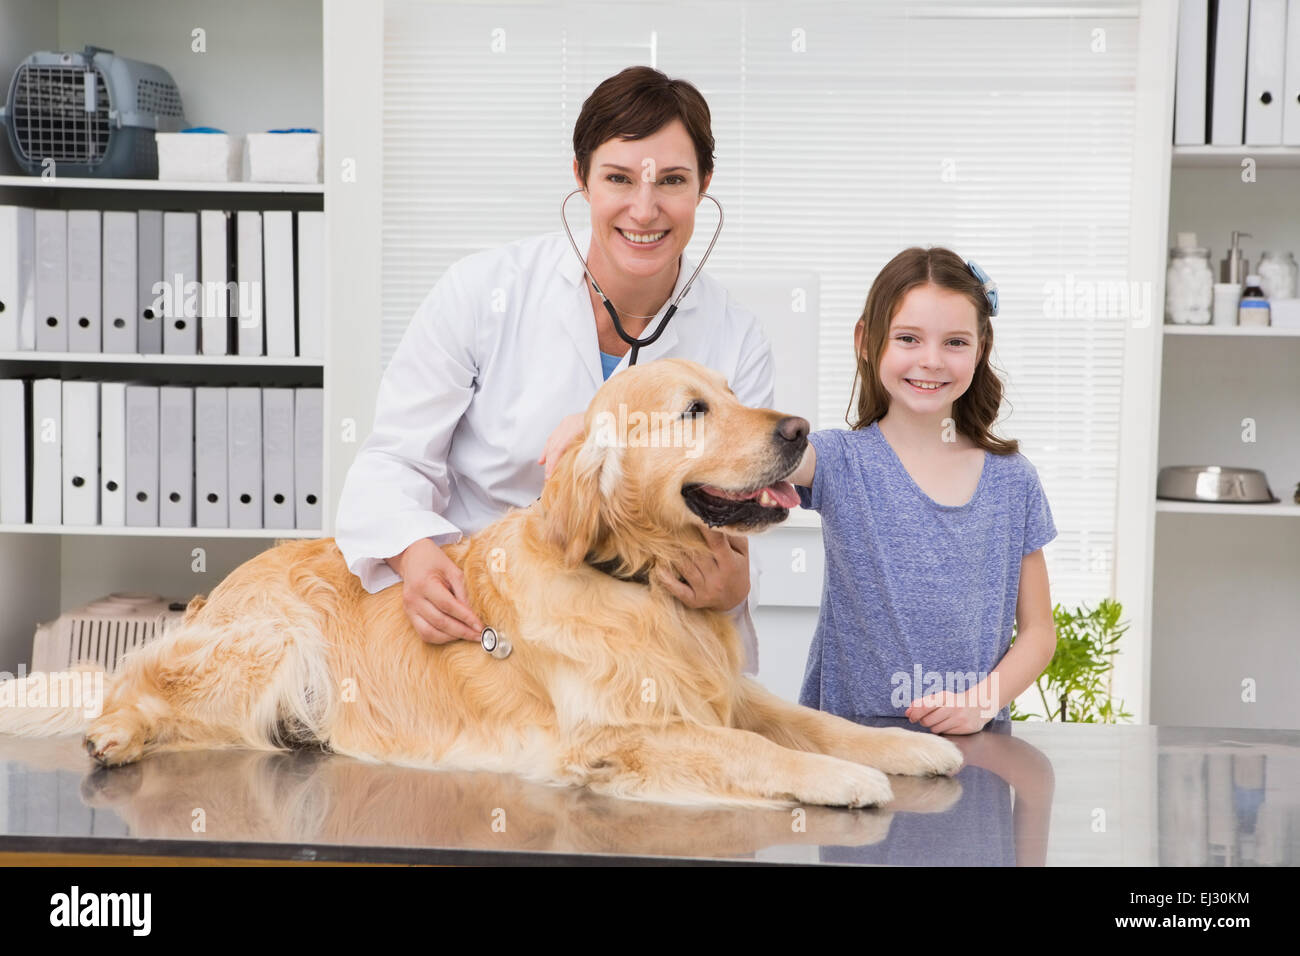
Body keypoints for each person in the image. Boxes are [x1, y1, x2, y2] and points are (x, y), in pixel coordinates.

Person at [334, 66, 776, 673]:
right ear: (581, 178)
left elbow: (739, 511)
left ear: (704, 185)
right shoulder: (481, 292)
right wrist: (413, 553)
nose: (644, 210)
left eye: (672, 180)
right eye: (619, 178)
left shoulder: (735, 337)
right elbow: (396, 459)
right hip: (487, 625)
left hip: (642, 641)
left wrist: (733, 587)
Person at [785, 247, 1058, 734]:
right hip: (851, 747)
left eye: (955, 342)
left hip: (971, 748)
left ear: (980, 350)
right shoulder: (839, 461)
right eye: (908, 338)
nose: (930, 361)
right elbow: (763, 457)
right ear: (866, 342)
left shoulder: (1013, 480)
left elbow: (1038, 632)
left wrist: (980, 703)